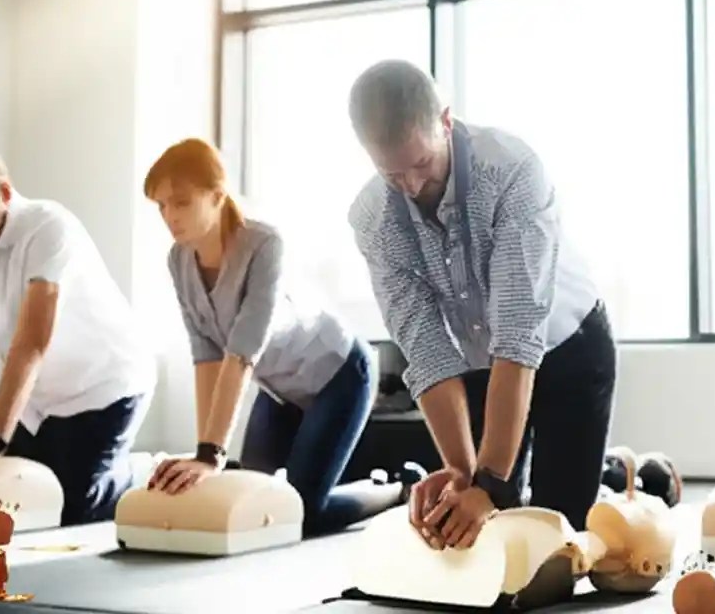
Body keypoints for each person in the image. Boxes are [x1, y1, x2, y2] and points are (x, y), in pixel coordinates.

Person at [346, 59, 617, 550]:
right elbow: (426, 348)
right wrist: (463, 476)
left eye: (421, 164)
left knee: (554, 539)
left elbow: (517, 334)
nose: (410, 185)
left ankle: (618, 476)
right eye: (391, 174)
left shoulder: (513, 170)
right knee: (482, 533)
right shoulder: (372, 219)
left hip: (567, 345)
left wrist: (489, 484)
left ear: (446, 122)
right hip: (477, 360)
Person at [142, 138, 411, 537]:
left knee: (302, 514)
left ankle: (399, 489)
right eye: (161, 205)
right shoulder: (178, 260)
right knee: (252, 506)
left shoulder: (264, 244)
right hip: (278, 391)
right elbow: (207, 358)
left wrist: (211, 455)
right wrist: (204, 454)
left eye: (180, 202)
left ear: (217, 196)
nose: (169, 216)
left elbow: (240, 354)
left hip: (339, 375)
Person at [0, 142, 154, 525]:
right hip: (39, 403)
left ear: (4, 192)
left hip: (105, 386)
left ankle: (144, 475)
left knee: (72, 508)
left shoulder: (49, 227)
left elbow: (32, 342)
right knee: (22, 501)